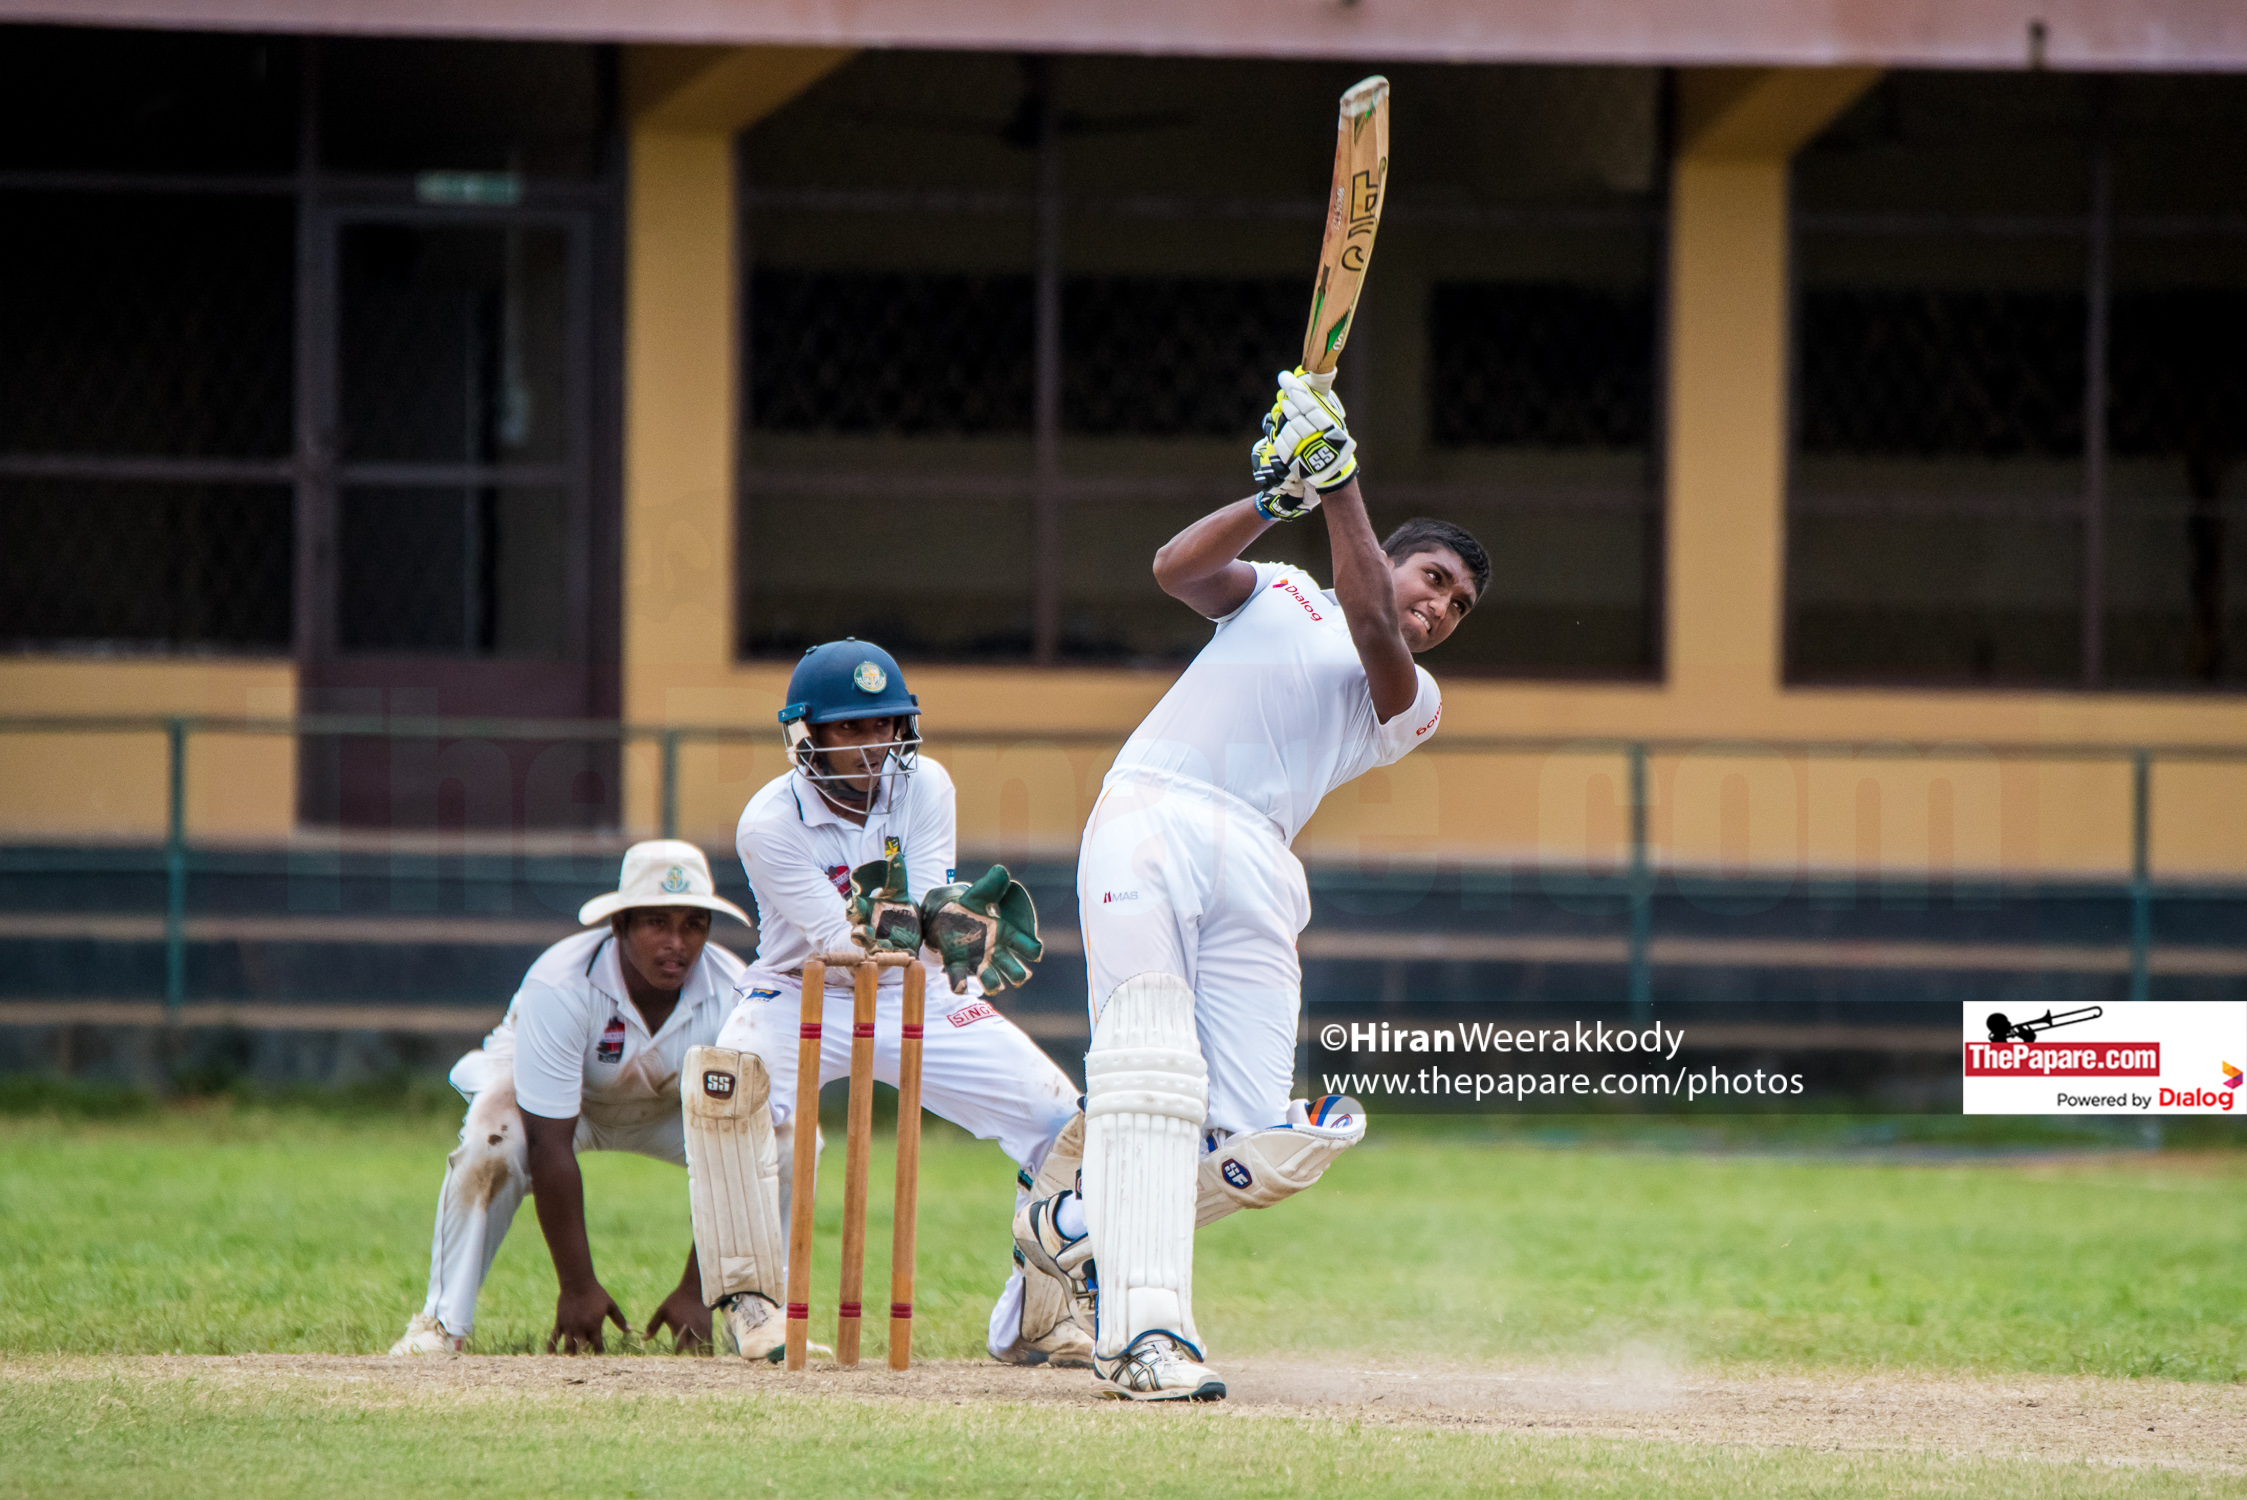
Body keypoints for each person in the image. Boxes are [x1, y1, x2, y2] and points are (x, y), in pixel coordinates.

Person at [1012, 369, 1489, 1399]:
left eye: (1459, 603)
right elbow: (1178, 569)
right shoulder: (1279, 589)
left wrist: (1342, 481)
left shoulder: (1415, 696)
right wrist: (1283, 499)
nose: (1441, 605)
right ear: (1396, 557)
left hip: (1262, 859)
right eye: (1435, 577)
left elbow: (1371, 628)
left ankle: (1073, 1223)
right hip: (1152, 810)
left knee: (1256, 1136)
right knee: (1148, 1073)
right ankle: (1147, 1337)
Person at [680, 638, 1092, 1366]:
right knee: (727, 1089)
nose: (873, 745)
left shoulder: (926, 784)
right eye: (850, 728)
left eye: (884, 726)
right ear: (808, 734)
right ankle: (754, 1307)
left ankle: (1041, 1315)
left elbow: (925, 915)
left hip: (916, 996)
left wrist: (955, 920)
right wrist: (930, 922)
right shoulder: (767, 822)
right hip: (799, 989)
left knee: (1065, 1122)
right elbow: (841, 937)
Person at [388, 841, 753, 1356]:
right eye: (656, 923)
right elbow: (547, 1141)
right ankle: (442, 1324)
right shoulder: (559, 984)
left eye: (694, 924)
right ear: (620, 925)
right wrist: (578, 1286)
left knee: (776, 1141)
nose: (677, 943)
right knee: (492, 1139)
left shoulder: (735, 991)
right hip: (555, 1110)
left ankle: (747, 1311)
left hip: (667, 1109)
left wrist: (698, 1289)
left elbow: (736, 1137)